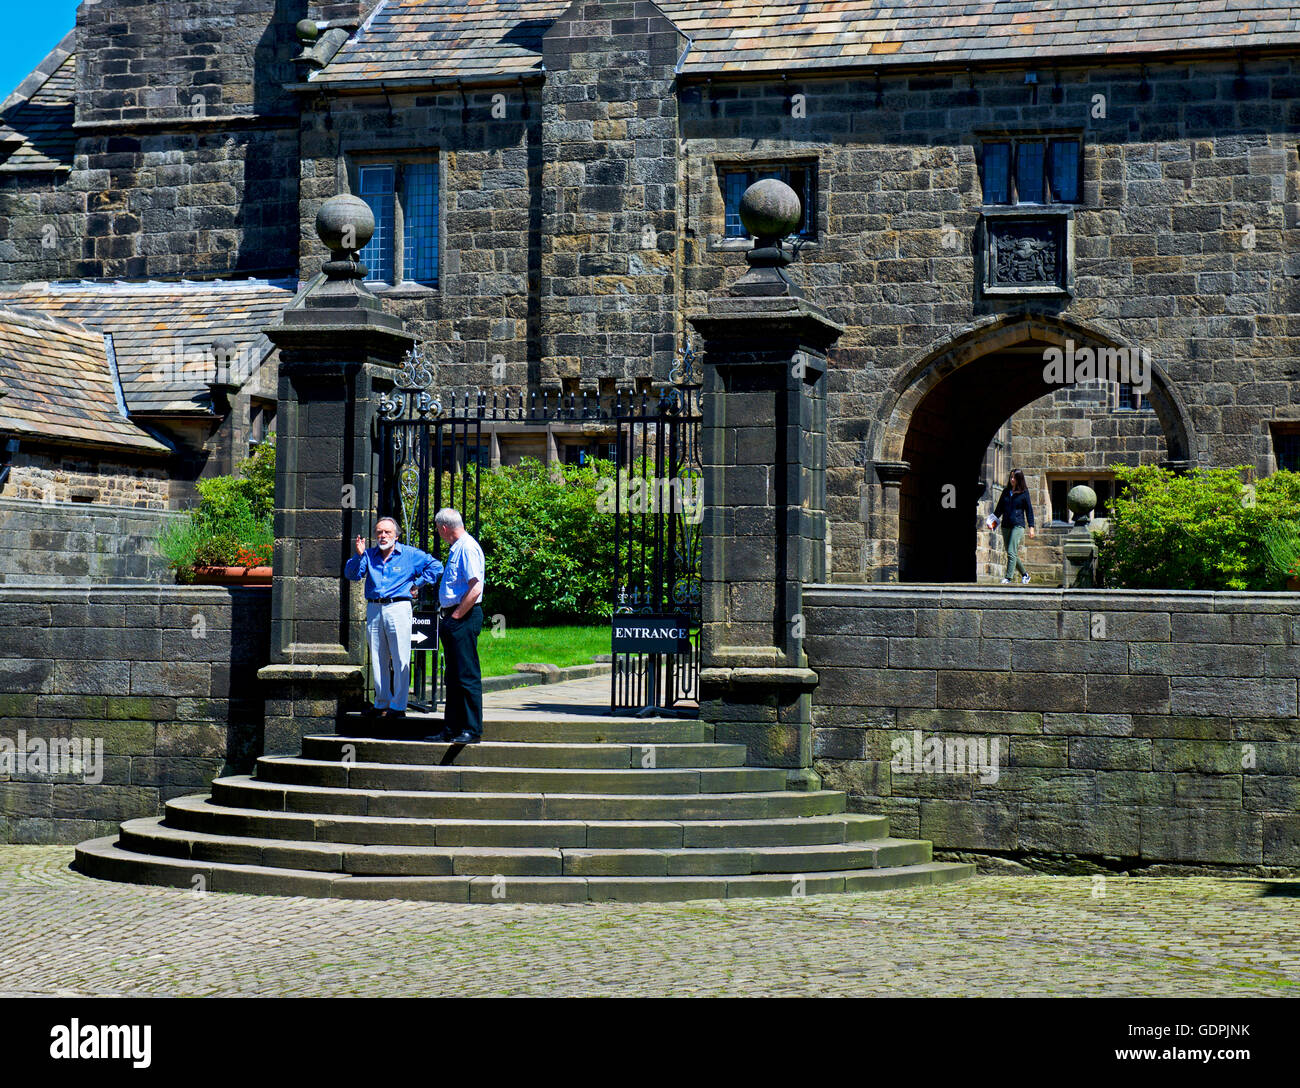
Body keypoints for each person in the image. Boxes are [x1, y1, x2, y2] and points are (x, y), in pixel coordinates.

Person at [344, 517, 443, 718]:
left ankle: (398, 706)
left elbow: (436, 567)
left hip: (399, 606)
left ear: (396, 536)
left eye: (387, 532)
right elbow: (352, 574)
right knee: (378, 657)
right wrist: (359, 555)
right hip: (374, 607)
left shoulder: (410, 555)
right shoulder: (369, 555)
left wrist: (418, 584)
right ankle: (381, 703)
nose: (383, 536)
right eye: (379, 532)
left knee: (400, 657)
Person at [424, 508, 486, 745]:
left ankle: (471, 729)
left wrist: (457, 615)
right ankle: (452, 727)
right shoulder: (459, 547)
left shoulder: (467, 548)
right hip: (456, 616)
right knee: (453, 675)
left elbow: (475, 587)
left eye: (438, 530)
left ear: (443, 528)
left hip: (463, 616)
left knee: (466, 674)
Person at [993, 468, 1036, 585]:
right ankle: (1025, 575)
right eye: (1011, 477)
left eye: (1014, 478)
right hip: (1006, 525)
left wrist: (1031, 527)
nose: (1012, 480)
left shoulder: (1024, 493)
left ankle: (1008, 577)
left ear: (1019, 479)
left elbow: (1029, 511)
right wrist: (992, 522)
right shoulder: (1006, 492)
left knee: (1011, 551)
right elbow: (999, 510)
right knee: (1011, 553)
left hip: (1018, 525)